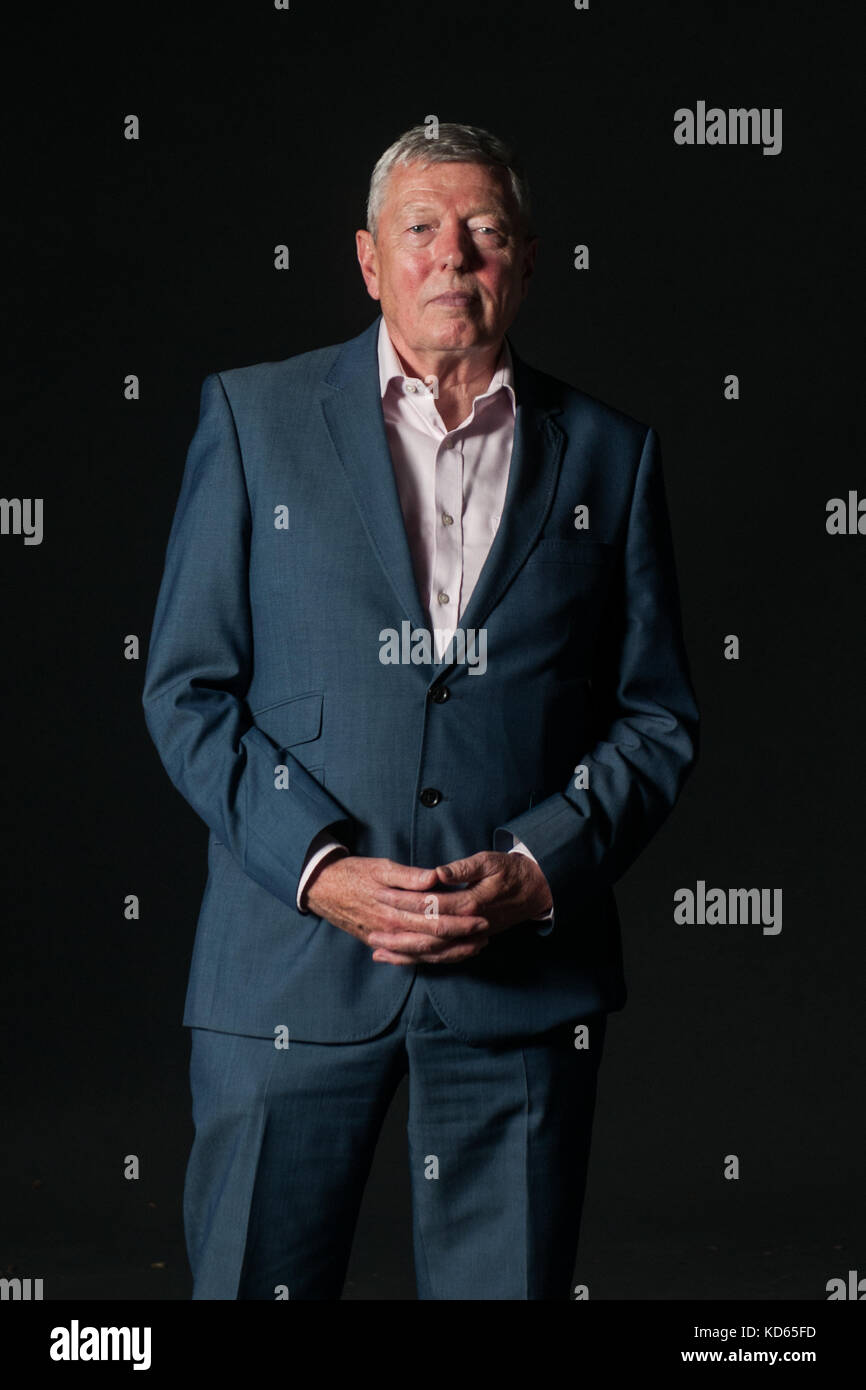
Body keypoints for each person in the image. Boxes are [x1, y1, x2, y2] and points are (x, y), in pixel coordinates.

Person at [142, 122, 699, 1300]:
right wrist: (319, 867)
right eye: (422, 229)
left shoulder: (610, 454)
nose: (454, 255)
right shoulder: (253, 420)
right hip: (283, 973)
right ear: (367, 260)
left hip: (522, 984)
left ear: (527, 261)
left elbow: (654, 718)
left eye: (485, 232)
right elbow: (187, 687)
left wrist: (537, 865)